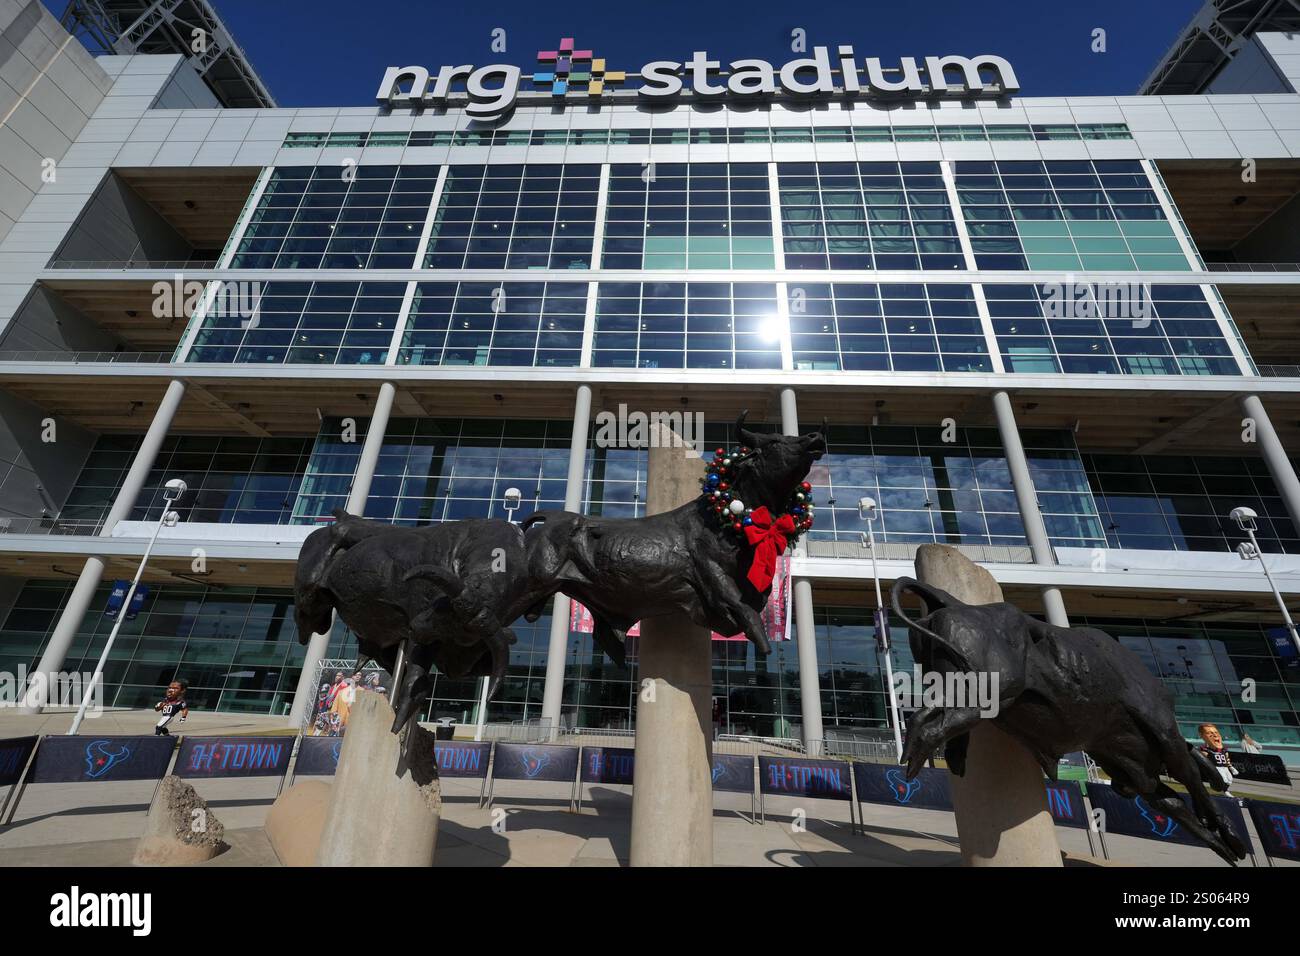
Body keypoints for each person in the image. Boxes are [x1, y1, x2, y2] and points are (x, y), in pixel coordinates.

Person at [1196, 723, 1238, 794]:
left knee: (1229, 779)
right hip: (1217, 767)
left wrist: (1231, 768)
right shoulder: (1206, 750)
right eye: (1210, 733)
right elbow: (1203, 760)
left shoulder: (1223, 750)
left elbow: (1227, 759)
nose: (1215, 735)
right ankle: (1218, 787)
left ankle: (1225, 790)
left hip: (1225, 767)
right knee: (1223, 779)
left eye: (1216, 732)